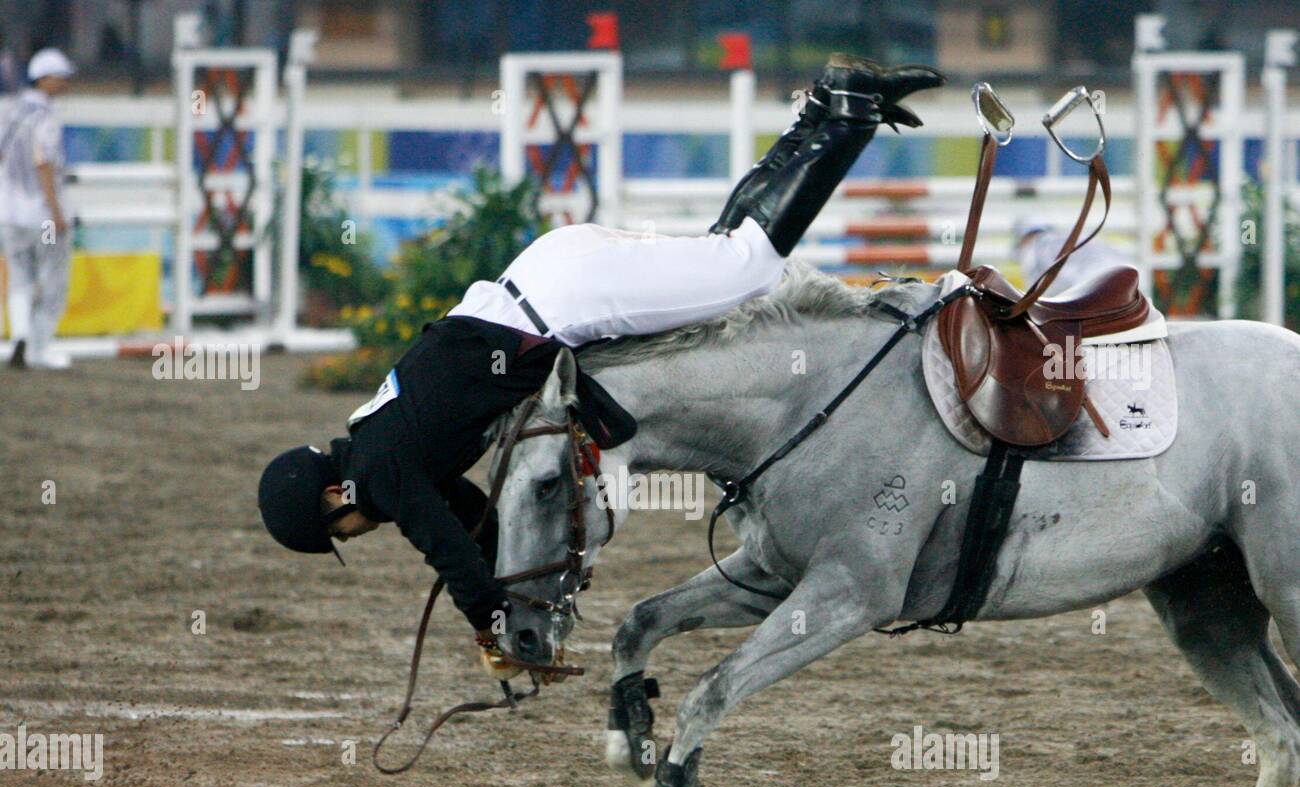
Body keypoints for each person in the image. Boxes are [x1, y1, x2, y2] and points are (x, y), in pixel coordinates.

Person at [258, 55, 944, 657]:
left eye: (340, 529)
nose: (357, 530)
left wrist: (489, 620)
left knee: (746, 267)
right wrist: (516, 591)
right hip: (550, 281)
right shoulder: (381, 439)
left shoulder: (381, 471)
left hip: (566, 302)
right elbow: (476, 528)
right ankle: (830, 105)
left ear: (333, 496)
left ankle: (846, 112)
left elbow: (443, 548)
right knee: (728, 253)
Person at [0, 47, 75, 370]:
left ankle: (19, 334)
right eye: (60, 77)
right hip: (42, 217)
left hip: (10, 216)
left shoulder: (9, 111)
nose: (65, 83)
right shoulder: (43, 117)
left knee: (20, 278)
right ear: (44, 78)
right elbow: (43, 163)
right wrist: (57, 213)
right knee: (52, 276)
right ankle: (39, 348)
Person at [1012, 216, 1135, 297]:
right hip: (1130, 279)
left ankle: (1069, 338)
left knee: (1066, 328)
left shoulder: (1036, 248)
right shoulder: (1068, 239)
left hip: (1093, 285)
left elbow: (1037, 292)